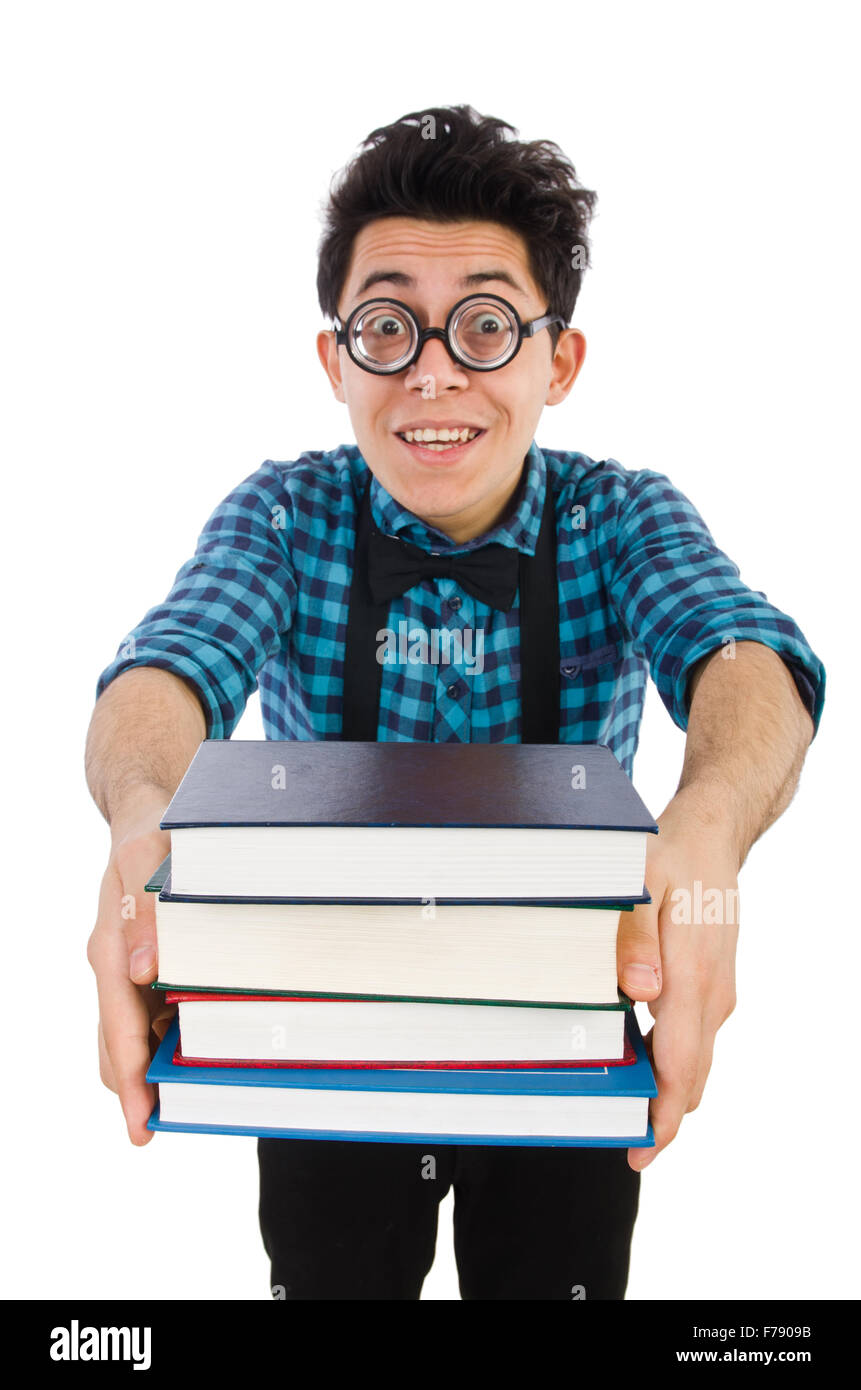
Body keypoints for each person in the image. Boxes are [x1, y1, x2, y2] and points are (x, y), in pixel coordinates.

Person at [85, 105, 824, 1301]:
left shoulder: (620, 515)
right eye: (388, 327)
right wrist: (138, 816)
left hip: (573, 1038)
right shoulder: (283, 516)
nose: (433, 372)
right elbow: (170, 664)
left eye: (485, 325)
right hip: (318, 1042)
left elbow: (747, 655)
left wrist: (708, 831)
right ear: (335, 360)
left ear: (557, 361)